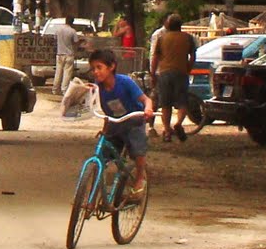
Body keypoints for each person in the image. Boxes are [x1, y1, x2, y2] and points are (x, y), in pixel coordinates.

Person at [87, 48, 153, 196]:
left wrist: (148, 109)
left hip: (134, 121)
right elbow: (108, 113)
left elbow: (146, 99)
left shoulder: (125, 82)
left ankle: (140, 178)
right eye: (93, 68)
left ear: (111, 67)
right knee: (102, 155)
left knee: (137, 148)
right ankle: (93, 194)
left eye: (99, 67)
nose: (96, 72)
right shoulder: (98, 87)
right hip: (115, 123)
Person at [148, 13, 197, 142]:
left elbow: (155, 57)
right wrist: (188, 68)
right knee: (182, 102)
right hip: (181, 72)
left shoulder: (162, 38)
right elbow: (193, 56)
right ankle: (178, 123)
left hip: (164, 73)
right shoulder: (188, 38)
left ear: (168, 24)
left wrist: (153, 73)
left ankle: (167, 131)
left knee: (165, 104)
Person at [52, 16, 80, 95]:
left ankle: (55, 89)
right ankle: (64, 90)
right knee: (67, 73)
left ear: (65, 21)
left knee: (58, 72)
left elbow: (54, 39)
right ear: (72, 22)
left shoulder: (58, 30)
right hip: (69, 54)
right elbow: (76, 42)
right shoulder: (72, 31)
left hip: (59, 54)